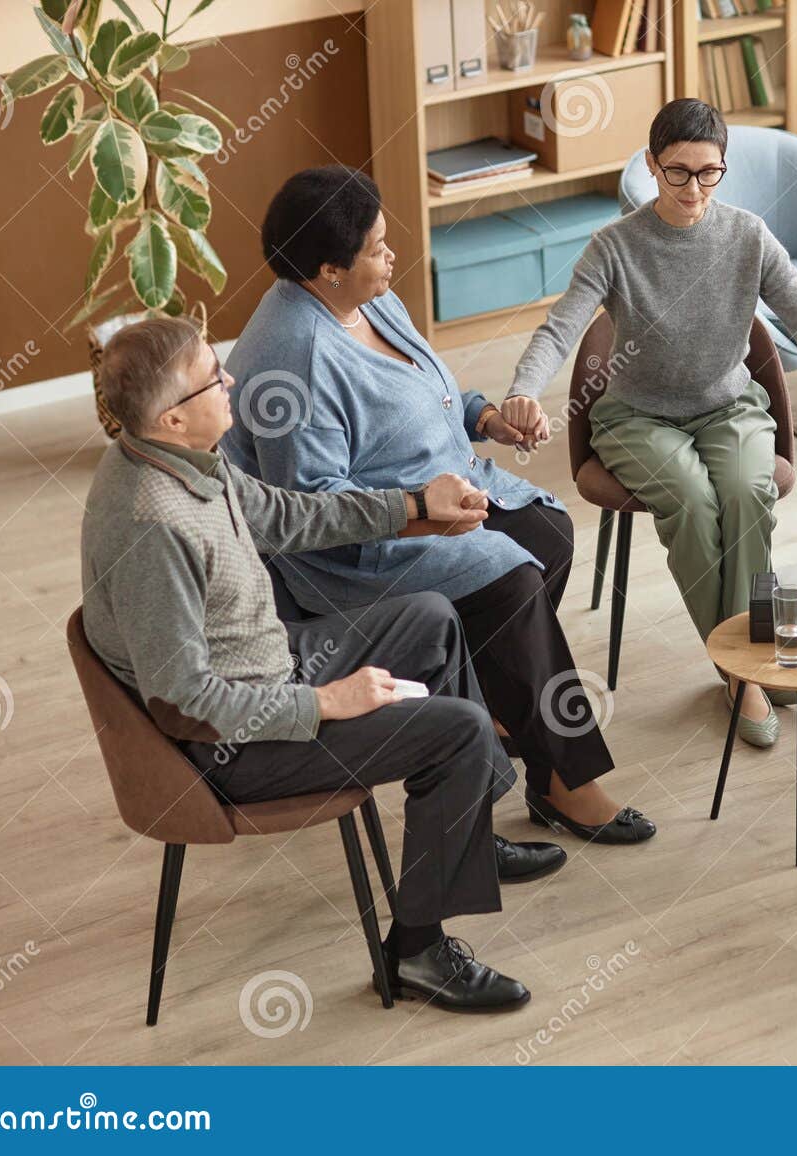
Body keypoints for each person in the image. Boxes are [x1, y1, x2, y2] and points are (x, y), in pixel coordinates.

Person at [81, 317, 568, 1010]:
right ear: (173, 416)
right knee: (458, 729)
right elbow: (181, 698)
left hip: (267, 664)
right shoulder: (152, 524)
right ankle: (416, 955)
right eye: (214, 378)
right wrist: (327, 703)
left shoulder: (181, 457)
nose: (233, 382)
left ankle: (468, 841)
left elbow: (285, 517)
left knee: (432, 615)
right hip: (230, 744)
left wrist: (412, 506)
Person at [222, 167, 654, 845]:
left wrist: (485, 418)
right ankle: (564, 778)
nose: (391, 256)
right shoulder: (293, 360)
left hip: (439, 487)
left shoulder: (367, 298)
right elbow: (311, 512)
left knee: (548, 533)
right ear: (329, 269)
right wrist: (419, 506)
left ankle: (500, 713)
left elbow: (426, 388)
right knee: (511, 585)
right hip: (360, 548)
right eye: (376, 248)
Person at [500, 98, 797, 749]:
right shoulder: (616, 246)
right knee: (690, 497)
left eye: (709, 173)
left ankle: (744, 668)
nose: (693, 189)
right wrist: (521, 393)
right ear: (652, 166)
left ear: (723, 169)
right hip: (635, 416)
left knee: (746, 491)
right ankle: (748, 672)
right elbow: (559, 328)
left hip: (728, 405)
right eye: (678, 172)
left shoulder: (747, 235)